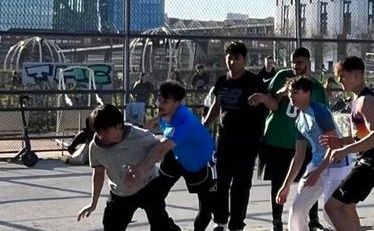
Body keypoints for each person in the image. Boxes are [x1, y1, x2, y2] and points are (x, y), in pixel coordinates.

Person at [249, 47, 327, 231]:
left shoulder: (315, 87)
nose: (295, 66)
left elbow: (321, 116)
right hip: (279, 138)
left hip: (305, 141)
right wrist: (278, 94)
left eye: (299, 62)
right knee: (278, 181)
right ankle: (277, 221)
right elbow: (273, 105)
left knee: (309, 181)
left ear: (308, 62)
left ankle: (312, 219)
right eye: (293, 62)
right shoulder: (282, 76)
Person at [320, 55, 374, 231]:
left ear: (356, 75)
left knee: (332, 206)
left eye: (342, 76)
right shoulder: (357, 99)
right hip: (370, 162)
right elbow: (361, 135)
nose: (339, 81)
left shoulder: (366, 100)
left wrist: (345, 150)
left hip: (373, 163)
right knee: (347, 206)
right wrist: (340, 141)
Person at [77, 103, 179, 231]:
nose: (101, 136)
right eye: (98, 132)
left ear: (119, 126)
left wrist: (142, 169)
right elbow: (98, 174)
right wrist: (93, 203)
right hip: (120, 192)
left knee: (160, 224)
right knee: (111, 225)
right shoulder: (95, 147)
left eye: (105, 131)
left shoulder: (141, 137)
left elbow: (162, 150)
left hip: (149, 185)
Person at [134, 83, 218, 231]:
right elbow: (147, 127)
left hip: (200, 163)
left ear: (177, 103)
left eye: (165, 101)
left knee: (206, 207)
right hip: (176, 156)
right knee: (154, 196)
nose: (160, 104)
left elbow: (160, 150)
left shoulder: (184, 122)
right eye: (159, 99)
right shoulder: (165, 113)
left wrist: (138, 170)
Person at [205, 41, 269, 231]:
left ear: (245, 59)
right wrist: (205, 124)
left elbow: (271, 104)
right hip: (224, 139)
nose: (232, 61)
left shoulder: (254, 81)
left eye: (236, 58)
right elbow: (217, 106)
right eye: (229, 57)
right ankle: (221, 221)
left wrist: (264, 99)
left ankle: (236, 224)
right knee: (222, 181)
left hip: (247, 141)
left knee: (241, 184)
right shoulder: (222, 80)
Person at [275, 76, 352, 231]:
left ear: (308, 93)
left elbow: (334, 143)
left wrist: (318, 172)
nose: (291, 96)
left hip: (337, 165)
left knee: (332, 213)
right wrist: (285, 186)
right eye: (290, 93)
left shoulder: (319, 111)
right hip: (317, 166)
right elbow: (298, 156)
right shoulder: (299, 120)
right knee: (297, 210)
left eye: (295, 92)